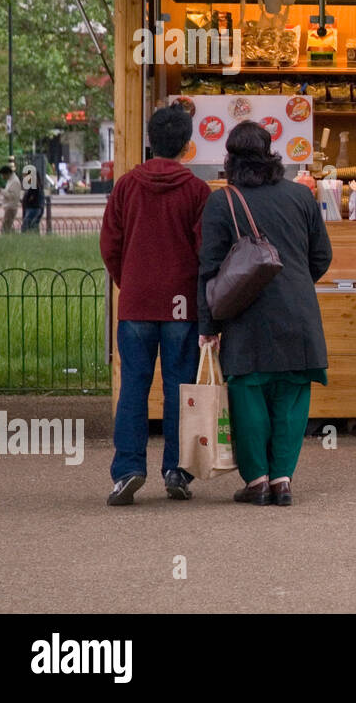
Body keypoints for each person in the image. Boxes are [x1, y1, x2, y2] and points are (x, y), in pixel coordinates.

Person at [198, 121, 332, 506]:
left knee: (247, 394)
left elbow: (208, 270)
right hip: (298, 313)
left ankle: (256, 480)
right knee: (291, 395)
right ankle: (282, 480)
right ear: (272, 152)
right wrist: (296, 283)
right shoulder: (301, 196)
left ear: (231, 159)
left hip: (246, 318)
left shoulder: (222, 202)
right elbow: (321, 256)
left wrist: (208, 326)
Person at [100, 104, 211, 505]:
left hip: (135, 302)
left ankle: (128, 470)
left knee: (133, 387)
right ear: (187, 145)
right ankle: (176, 470)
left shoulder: (126, 186)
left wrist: (126, 281)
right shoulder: (198, 191)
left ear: (151, 142)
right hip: (182, 305)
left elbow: (109, 244)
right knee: (179, 389)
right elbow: (206, 252)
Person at [0, 165, 21, 234]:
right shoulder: (10, 180)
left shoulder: (15, 182)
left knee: (5, 229)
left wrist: (1, 191)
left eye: (3, 175)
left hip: (11, 207)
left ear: (7, 173)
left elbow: (13, 196)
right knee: (7, 227)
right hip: (9, 207)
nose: (2, 177)